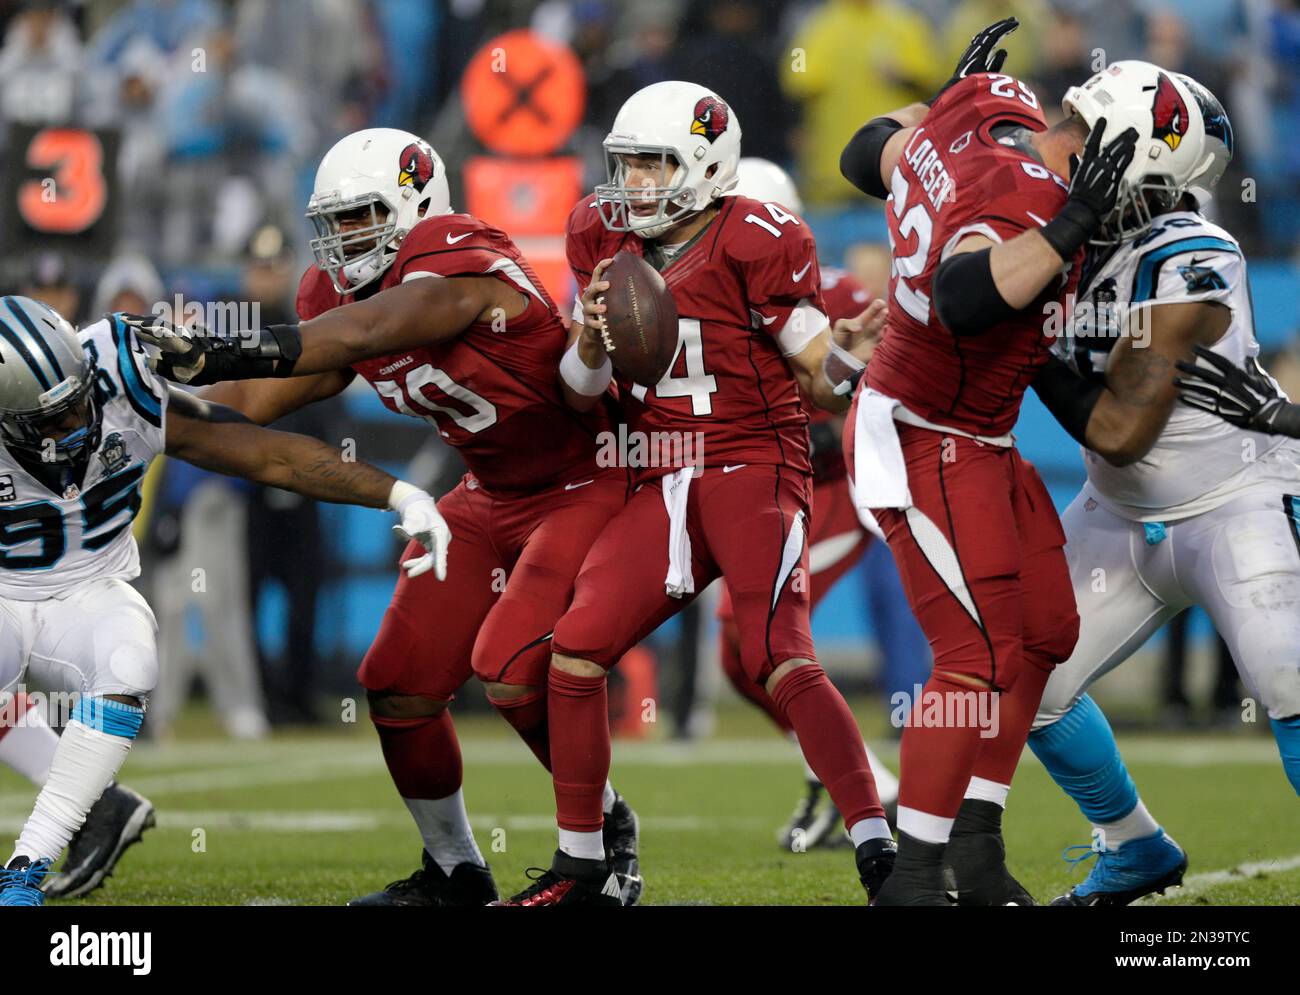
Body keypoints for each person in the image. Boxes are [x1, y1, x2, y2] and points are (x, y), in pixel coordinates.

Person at [133, 128, 644, 907]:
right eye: (332, 223)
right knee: (398, 683)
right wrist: (138, 416)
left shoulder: (455, 255)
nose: (342, 241)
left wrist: (216, 344)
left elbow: (373, 329)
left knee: (509, 669)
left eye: (360, 217)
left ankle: (602, 834)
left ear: (414, 206)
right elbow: (248, 408)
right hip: (488, 491)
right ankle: (455, 870)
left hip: (583, 478)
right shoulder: (335, 299)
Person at [497, 80, 894, 906]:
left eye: (653, 166)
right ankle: (583, 867)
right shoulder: (600, 235)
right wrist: (590, 333)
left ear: (707, 165)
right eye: (626, 165)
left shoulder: (757, 234)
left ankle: (880, 846)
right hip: (658, 471)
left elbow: (819, 381)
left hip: (754, 460)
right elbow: (578, 391)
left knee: (776, 653)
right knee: (571, 655)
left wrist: (850, 362)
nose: (634, 184)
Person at [0, 296, 446, 906]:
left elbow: (267, 453)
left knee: (131, 658)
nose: (77, 424)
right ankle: (99, 811)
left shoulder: (118, 374)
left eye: (77, 403)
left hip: (88, 589)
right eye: (50, 421)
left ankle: (24, 870)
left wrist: (398, 494)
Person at [838, 17, 1138, 904]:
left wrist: (940, 118)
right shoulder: (1033, 192)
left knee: (1044, 630)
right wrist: (1074, 217)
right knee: (970, 657)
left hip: (980, 432)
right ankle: (916, 873)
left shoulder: (983, 120)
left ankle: (973, 840)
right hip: (924, 430)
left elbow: (866, 155)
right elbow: (965, 297)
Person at [1024, 67, 1300, 904]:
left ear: (1137, 169)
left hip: (1233, 503)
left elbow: (1118, 427)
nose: (1055, 143)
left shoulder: (1196, 256)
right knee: (1023, 682)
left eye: (1082, 131)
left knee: (1288, 677)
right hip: (1121, 510)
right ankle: (1135, 845)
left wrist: (1017, 335)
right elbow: (877, 160)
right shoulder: (1050, 223)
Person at [724, 157, 901, 850]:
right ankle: (856, 777)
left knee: (763, 643)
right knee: (741, 654)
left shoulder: (836, 291)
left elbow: (868, 394)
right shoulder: (700, 286)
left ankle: (849, 782)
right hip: (753, 484)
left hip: (826, 488)